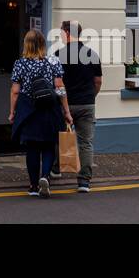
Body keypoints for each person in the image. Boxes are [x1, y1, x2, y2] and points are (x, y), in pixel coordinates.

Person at [10, 28, 73, 198]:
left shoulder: (20, 63)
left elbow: (15, 91)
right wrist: (66, 111)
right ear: (43, 44)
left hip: (28, 109)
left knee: (32, 147)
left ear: (26, 45)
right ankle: (45, 176)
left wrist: (12, 112)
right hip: (50, 108)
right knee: (48, 145)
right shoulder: (53, 61)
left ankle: (32, 185)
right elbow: (60, 88)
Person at [53, 21, 101, 193]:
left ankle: (57, 169)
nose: (60, 36)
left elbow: (57, 84)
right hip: (87, 104)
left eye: (61, 32)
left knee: (60, 137)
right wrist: (91, 97)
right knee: (85, 142)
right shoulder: (92, 54)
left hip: (65, 103)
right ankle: (84, 181)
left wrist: (62, 104)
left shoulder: (58, 55)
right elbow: (98, 81)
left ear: (67, 32)